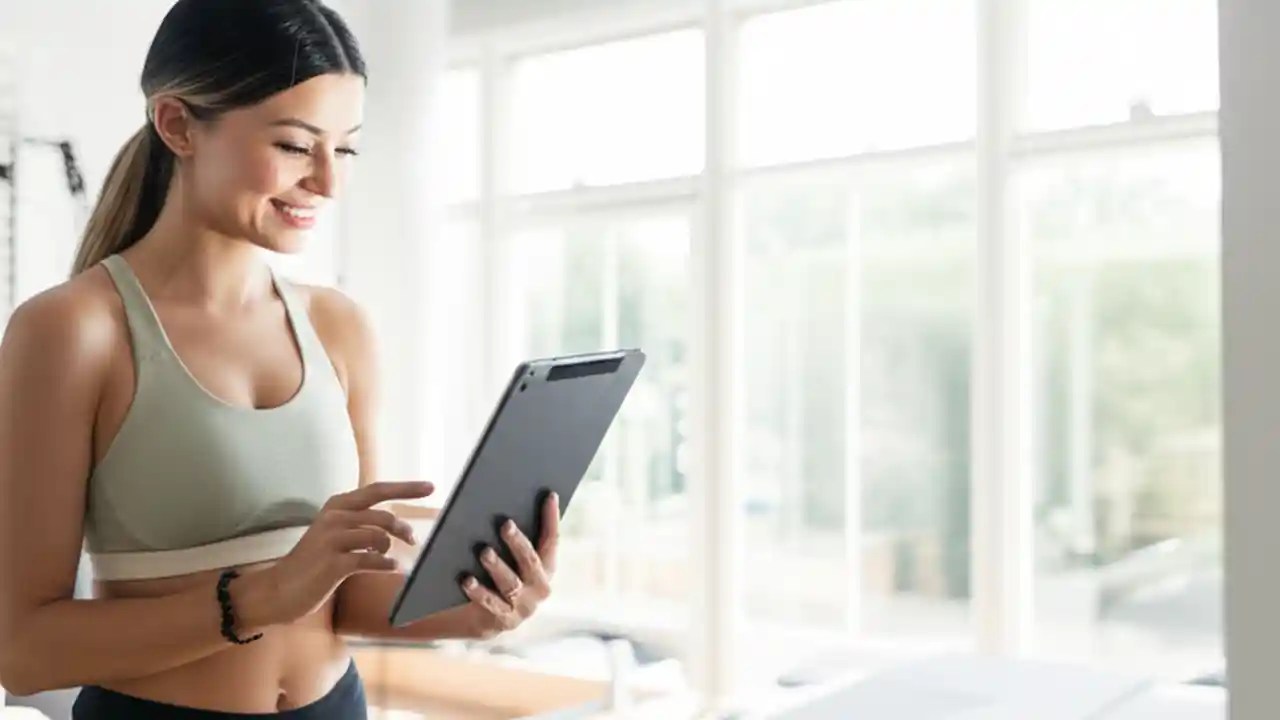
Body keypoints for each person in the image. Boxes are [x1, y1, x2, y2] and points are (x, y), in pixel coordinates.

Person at [0, 1, 561, 717]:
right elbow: (23, 647)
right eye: (297, 146)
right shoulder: (72, 331)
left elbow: (345, 597)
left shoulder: (339, 327)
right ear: (177, 125)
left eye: (346, 148)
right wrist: (260, 596)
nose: (328, 182)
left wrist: (478, 608)